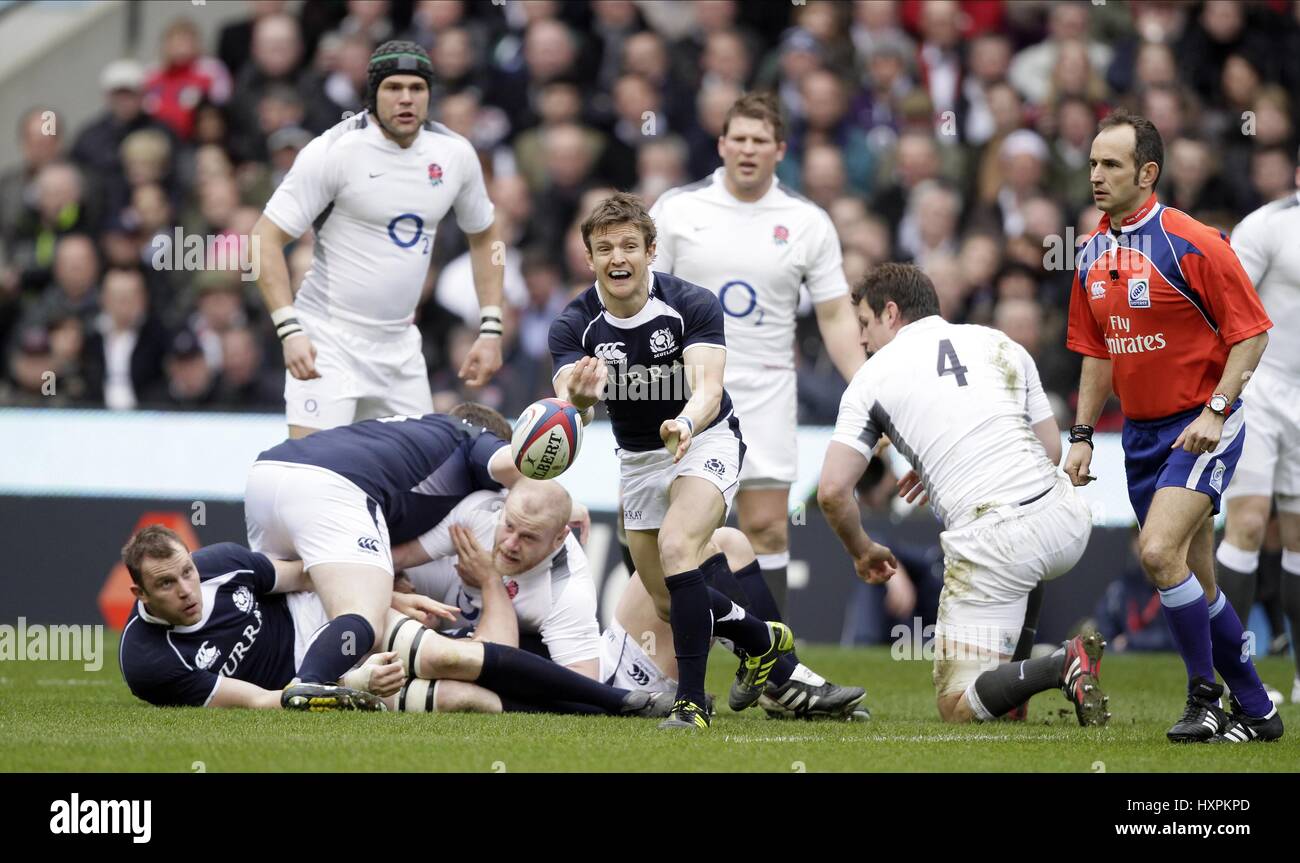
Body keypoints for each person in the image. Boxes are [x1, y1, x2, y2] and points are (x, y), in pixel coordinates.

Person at [1064, 109, 1281, 742]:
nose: (1096, 176)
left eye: (1111, 165)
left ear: (1147, 172)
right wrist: (1081, 435)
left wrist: (1216, 411)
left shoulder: (1195, 241)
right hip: (1140, 436)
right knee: (1199, 581)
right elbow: (1098, 350)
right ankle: (1258, 709)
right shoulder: (1091, 250)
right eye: (1093, 163)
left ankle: (1203, 697)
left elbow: (1252, 336)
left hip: (1201, 426)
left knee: (1157, 553)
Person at [818, 263, 1106, 726]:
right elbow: (1049, 449)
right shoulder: (1001, 343)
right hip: (1065, 521)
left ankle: (1058, 663)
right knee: (1025, 552)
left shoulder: (872, 379)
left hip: (995, 544)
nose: (862, 341)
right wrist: (941, 466)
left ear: (891, 313)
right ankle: (1016, 692)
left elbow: (832, 491)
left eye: (866, 324)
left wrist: (862, 549)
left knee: (956, 705)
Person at [548, 192, 793, 730]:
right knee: (664, 601)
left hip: (705, 439)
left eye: (630, 245)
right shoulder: (574, 324)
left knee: (679, 546)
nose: (618, 258)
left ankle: (690, 703)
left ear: (651, 250)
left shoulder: (693, 304)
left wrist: (686, 422)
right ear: (589, 258)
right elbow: (571, 401)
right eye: (605, 247)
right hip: (638, 460)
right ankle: (759, 637)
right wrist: (582, 400)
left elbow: (708, 388)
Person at [648, 91, 864, 630]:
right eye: (738, 139)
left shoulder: (806, 221)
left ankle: (773, 661)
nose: (747, 149)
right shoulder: (677, 210)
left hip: (766, 387)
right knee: (678, 527)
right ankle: (667, 654)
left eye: (760, 141)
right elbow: (645, 300)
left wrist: (866, 386)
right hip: (688, 387)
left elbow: (836, 316)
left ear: (779, 149)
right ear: (721, 144)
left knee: (767, 527)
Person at [117, 525, 669, 718]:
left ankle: (614, 702)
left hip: (329, 618)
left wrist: (381, 600)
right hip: (301, 681)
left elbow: (310, 575)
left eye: (187, 571)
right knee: (460, 700)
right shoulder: (149, 662)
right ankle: (591, 710)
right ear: (139, 592)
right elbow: (263, 703)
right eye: (167, 584)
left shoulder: (222, 566)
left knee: (446, 656)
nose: (188, 590)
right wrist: (347, 686)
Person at [251, 41, 504, 439]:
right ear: (372, 94)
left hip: (400, 346)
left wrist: (490, 328)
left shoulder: (455, 155)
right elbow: (263, 239)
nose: (406, 99)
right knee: (313, 475)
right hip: (327, 340)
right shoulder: (334, 150)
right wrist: (290, 329)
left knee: (419, 488)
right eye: (393, 87)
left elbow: (487, 237)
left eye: (417, 88)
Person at [242, 403, 521, 707]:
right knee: (363, 618)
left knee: (287, 594)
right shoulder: (471, 434)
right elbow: (519, 463)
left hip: (265, 475)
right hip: (333, 486)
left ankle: (252, 679)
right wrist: (553, 498)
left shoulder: (408, 429)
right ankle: (307, 685)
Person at [601, 526, 868, 720]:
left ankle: (782, 677)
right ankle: (783, 677)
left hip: (625, 657)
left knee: (730, 540)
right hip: (619, 675)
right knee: (692, 548)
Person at [1215, 153, 1300, 705]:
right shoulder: (1267, 227)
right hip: (1259, 390)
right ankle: (1225, 676)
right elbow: (1225, 308)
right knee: (1246, 522)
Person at [396, 481, 602, 678]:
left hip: (497, 642)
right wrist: (396, 597)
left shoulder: (567, 592)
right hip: (447, 584)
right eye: (509, 526)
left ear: (560, 538)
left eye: (528, 537)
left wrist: (490, 579)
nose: (510, 544)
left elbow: (585, 680)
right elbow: (388, 559)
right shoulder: (484, 509)